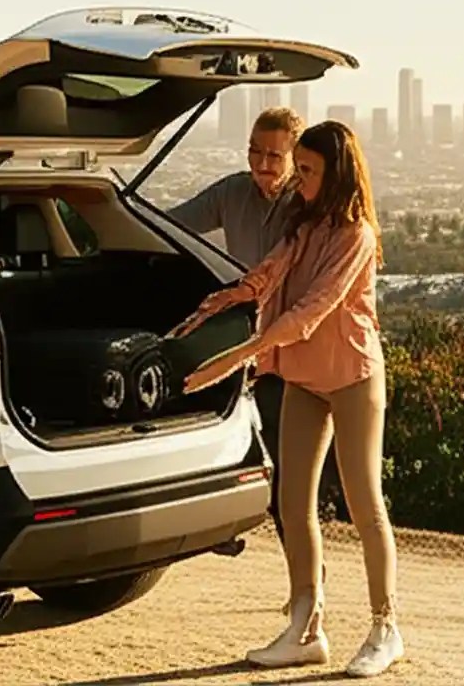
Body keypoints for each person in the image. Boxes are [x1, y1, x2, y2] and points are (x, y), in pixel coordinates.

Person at [172, 121, 403, 678]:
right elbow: (266, 277)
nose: (295, 179)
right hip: (304, 377)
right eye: (297, 168)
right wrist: (216, 305)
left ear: (335, 174)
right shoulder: (303, 224)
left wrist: (239, 356)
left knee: (364, 504)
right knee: (292, 504)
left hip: (351, 377)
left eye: (306, 171)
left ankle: (385, 627)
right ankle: (306, 626)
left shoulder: (357, 236)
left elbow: (313, 312)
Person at [168, 106, 333, 610]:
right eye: (256, 152)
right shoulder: (231, 192)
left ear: (295, 157)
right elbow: (171, 227)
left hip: (288, 349)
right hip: (239, 343)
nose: (263, 164)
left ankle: (308, 585)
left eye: (275, 156)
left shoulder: (305, 203)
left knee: (288, 470)